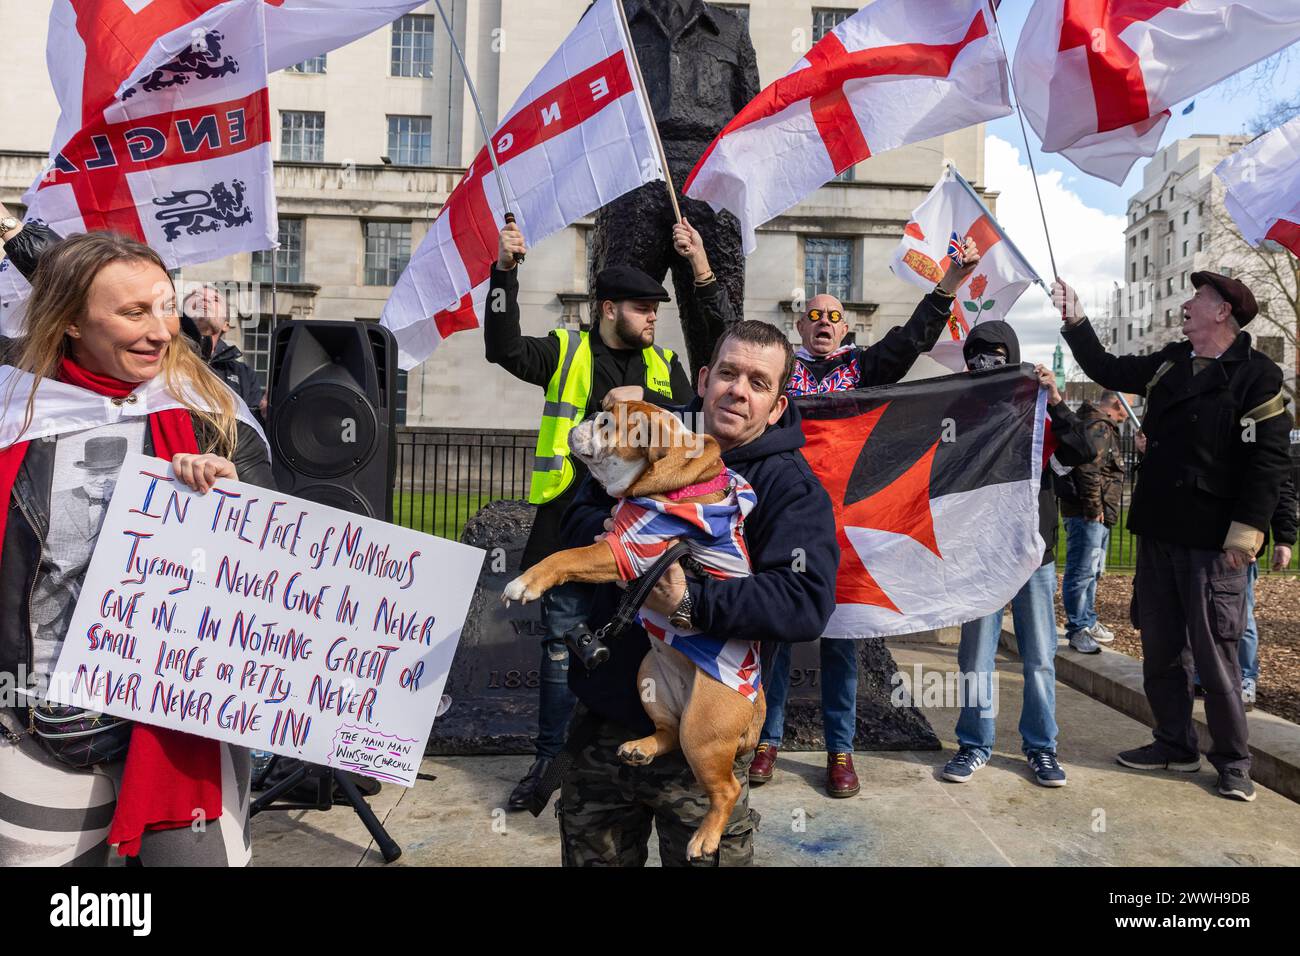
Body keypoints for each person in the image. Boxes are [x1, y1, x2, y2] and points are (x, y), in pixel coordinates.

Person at [0, 230, 272, 865]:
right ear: (68, 322)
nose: (162, 330)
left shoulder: (213, 416)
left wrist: (238, 508)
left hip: (184, 725)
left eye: (167, 306)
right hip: (37, 722)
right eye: (132, 312)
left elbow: (275, 577)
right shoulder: (15, 411)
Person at [555, 320, 840, 865]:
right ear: (705, 379)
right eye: (728, 373)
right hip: (607, 722)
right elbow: (577, 513)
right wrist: (608, 539)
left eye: (759, 383)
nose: (738, 390)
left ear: (778, 407)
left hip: (705, 734)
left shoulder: (791, 489)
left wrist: (690, 604)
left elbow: (804, 601)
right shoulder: (650, 437)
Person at [487, 221, 727, 811]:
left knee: (646, 643)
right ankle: (549, 761)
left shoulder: (667, 366)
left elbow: (720, 351)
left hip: (649, 539)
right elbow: (503, 348)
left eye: (656, 309)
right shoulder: (566, 351)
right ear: (608, 308)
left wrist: (701, 270)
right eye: (642, 308)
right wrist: (504, 272)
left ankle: (643, 743)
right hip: (571, 525)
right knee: (560, 644)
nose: (651, 318)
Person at [753, 236, 983, 798]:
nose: (825, 322)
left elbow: (909, 343)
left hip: (845, 528)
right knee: (773, 635)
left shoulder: (862, 369)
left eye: (834, 315)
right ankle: (766, 741)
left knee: (842, 640)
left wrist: (949, 283)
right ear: (800, 326)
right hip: (785, 520)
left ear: (844, 325)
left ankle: (841, 749)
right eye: (815, 316)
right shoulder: (781, 377)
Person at [1054, 272, 1291, 802]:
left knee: (1214, 655)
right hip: (1159, 530)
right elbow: (1108, 368)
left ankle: (1233, 761)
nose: (1185, 305)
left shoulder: (1258, 376)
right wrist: (1075, 318)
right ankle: (1173, 743)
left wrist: (1247, 536)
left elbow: (1269, 463)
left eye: (1196, 299)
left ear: (1222, 311)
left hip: (1213, 541)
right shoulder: (1169, 363)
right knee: (1160, 649)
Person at [941, 324, 1096, 788]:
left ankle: (1042, 747)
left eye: (997, 355)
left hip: (1033, 555)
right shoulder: (960, 414)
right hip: (982, 555)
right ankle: (974, 743)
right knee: (975, 657)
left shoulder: (1038, 412)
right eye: (978, 356)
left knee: (1040, 656)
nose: (987, 363)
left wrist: (1057, 399)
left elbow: (1083, 449)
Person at [1056, 391, 1128, 652]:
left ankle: (1086, 620)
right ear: (1117, 404)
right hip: (1089, 513)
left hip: (1095, 512)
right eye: (1125, 409)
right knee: (1083, 571)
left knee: (1092, 570)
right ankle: (1078, 627)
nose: (1125, 415)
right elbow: (1088, 468)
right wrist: (1093, 507)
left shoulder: (1095, 424)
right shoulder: (1099, 426)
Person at [182, 284, 267, 418]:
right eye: (197, 297)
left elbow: (251, 429)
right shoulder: (161, 360)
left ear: (226, 325)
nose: (205, 300)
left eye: (215, 300)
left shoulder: (244, 375)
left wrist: (265, 415)